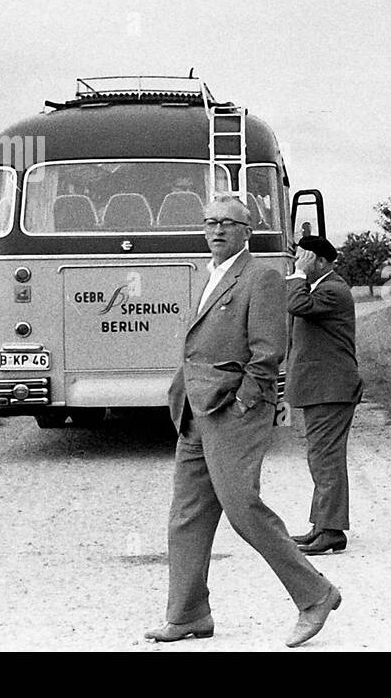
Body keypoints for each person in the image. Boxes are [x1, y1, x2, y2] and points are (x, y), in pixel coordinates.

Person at [144, 195, 341, 647]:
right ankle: (188, 615)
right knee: (187, 516)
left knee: (243, 510)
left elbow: (268, 352)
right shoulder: (211, 275)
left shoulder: (261, 277)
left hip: (232, 413)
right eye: (210, 222)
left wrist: (244, 404)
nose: (216, 230)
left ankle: (315, 595)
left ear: (247, 231)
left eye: (228, 223)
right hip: (196, 412)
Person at [285, 235, 362, 556]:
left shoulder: (332, 290)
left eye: (304, 258)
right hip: (324, 388)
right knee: (321, 457)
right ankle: (322, 526)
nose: (298, 263)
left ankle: (331, 531)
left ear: (318, 261)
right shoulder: (323, 288)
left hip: (331, 389)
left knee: (325, 458)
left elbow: (294, 304)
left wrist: (297, 275)